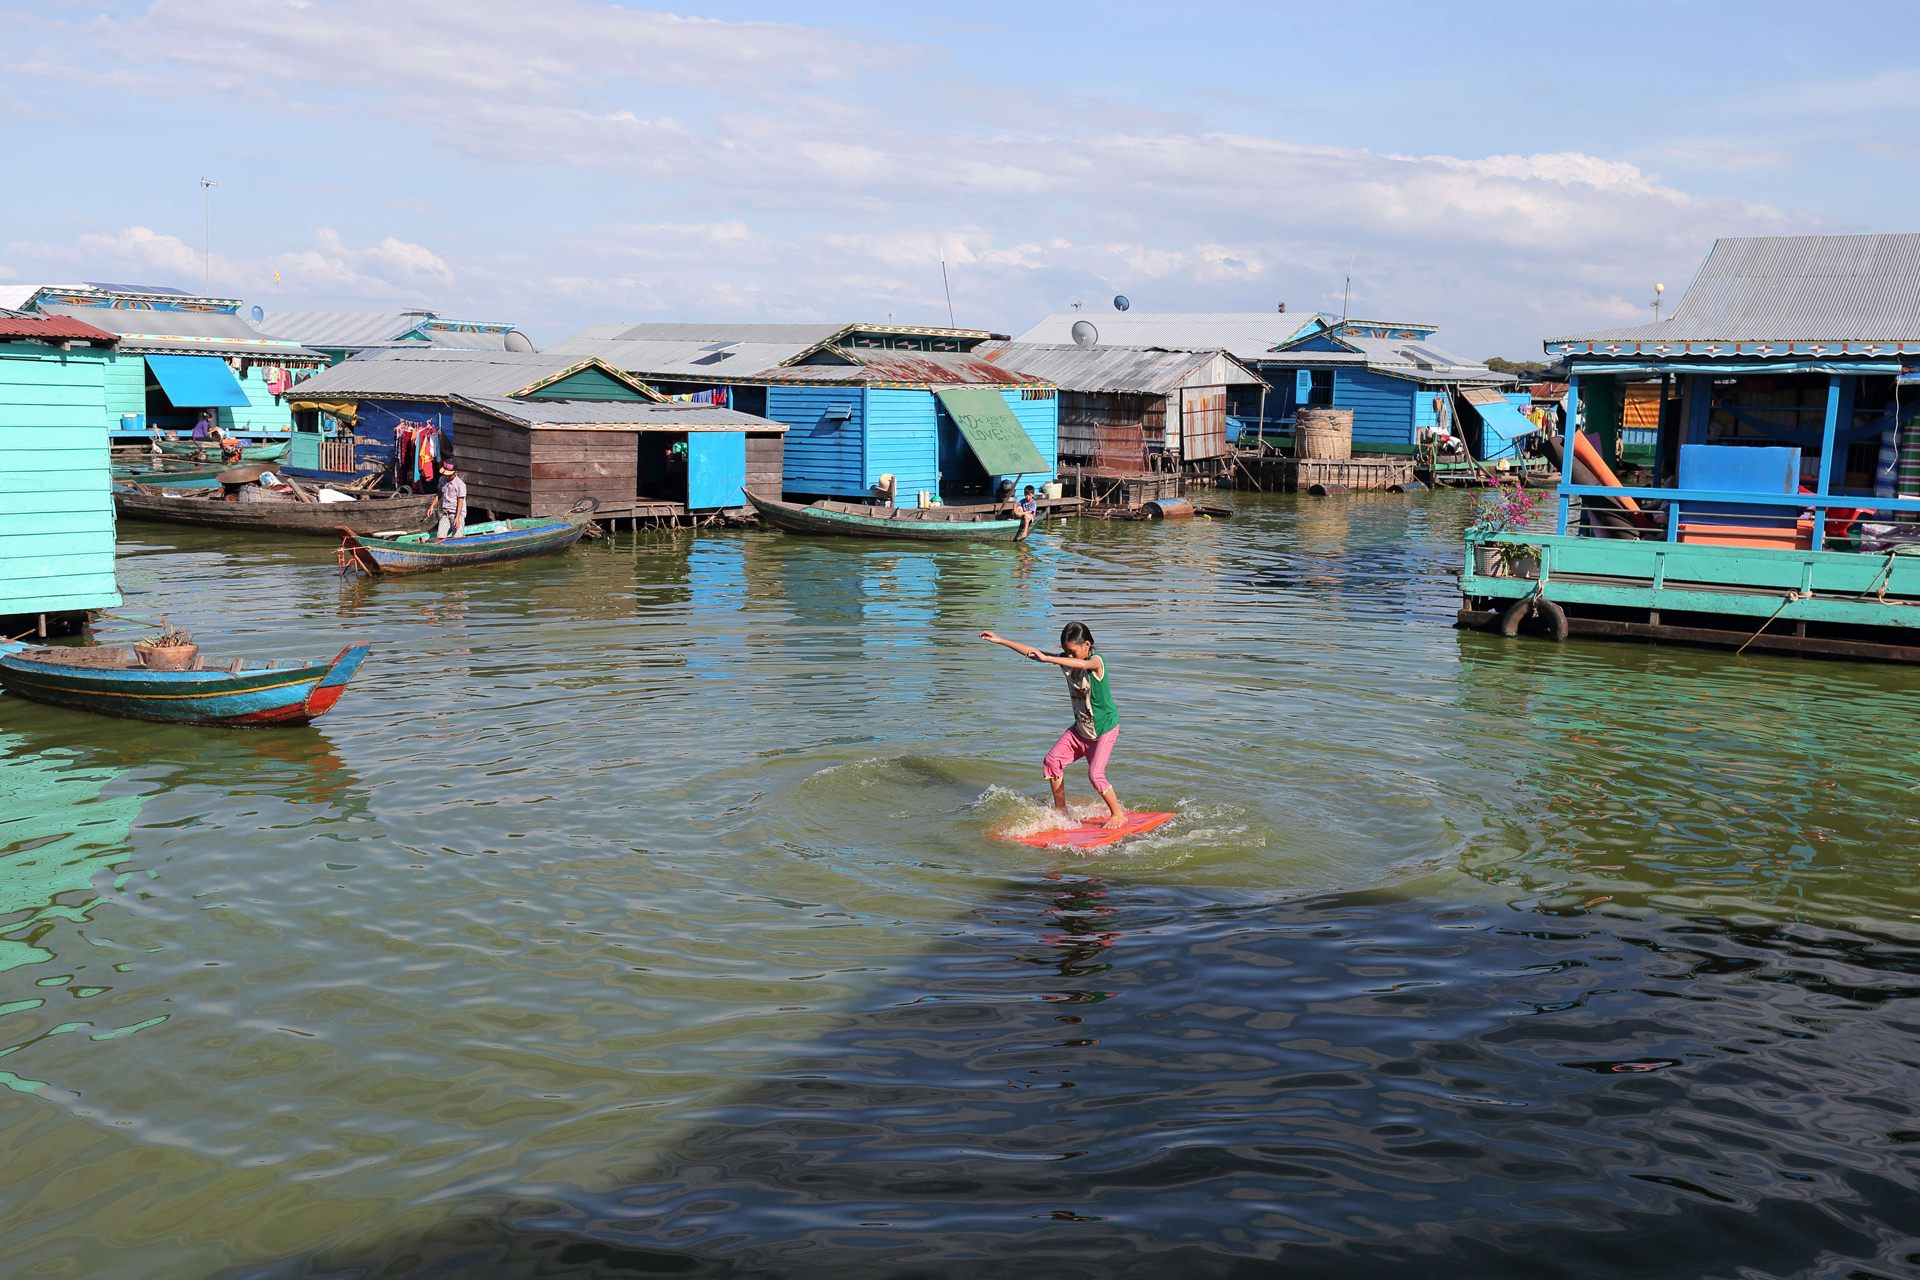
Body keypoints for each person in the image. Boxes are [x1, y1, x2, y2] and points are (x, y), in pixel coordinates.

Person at [979, 621, 1127, 829]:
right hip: (1081, 730)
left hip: (1103, 730)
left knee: (1095, 775)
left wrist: (1049, 658)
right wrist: (1001, 640)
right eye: (1066, 652)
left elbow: (1084, 665)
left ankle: (1118, 814)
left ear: (1086, 644)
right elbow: (1033, 653)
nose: (1069, 657)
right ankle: (1061, 811)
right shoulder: (1068, 660)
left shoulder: (1096, 661)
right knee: (1052, 761)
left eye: (1073, 652)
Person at [435, 460, 467, 540]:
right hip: (446, 514)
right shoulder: (443, 480)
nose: (447, 476)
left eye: (449, 475)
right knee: (440, 536)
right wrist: (432, 506)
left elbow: (460, 501)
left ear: (455, 473)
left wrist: (457, 518)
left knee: (456, 538)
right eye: (445, 474)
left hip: (458, 514)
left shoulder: (460, 485)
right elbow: (439, 493)